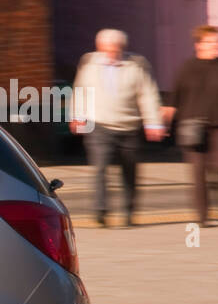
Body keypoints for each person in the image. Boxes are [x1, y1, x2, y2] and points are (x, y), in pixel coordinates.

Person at [69, 29, 164, 227]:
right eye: (106, 50)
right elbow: (80, 91)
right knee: (100, 169)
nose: (110, 53)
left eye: (114, 49)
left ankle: (129, 210)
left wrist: (153, 122)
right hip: (99, 125)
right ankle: (100, 211)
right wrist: (77, 116)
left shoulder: (136, 65)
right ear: (99, 48)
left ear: (122, 48)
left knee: (129, 171)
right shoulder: (89, 63)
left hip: (129, 126)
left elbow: (147, 94)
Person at [160, 25, 218, 225]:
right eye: (212, 41)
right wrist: (163, 123)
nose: (217, 45)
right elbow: (174, 98)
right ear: (199, 45)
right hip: (192, 128)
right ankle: (203, 216)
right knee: (198, 173)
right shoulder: (187, 67)